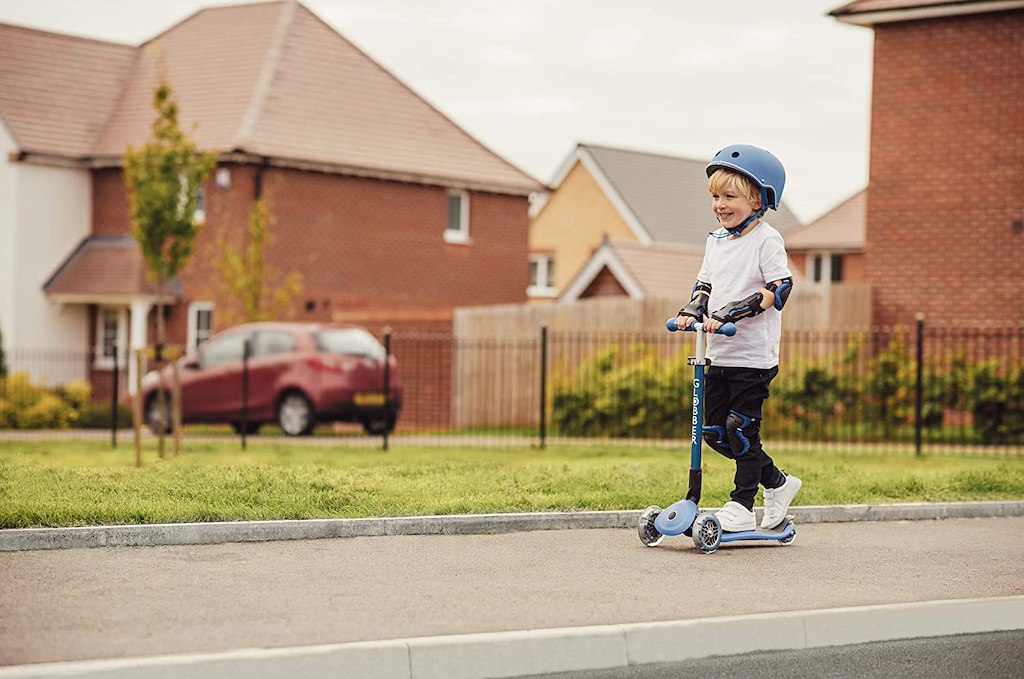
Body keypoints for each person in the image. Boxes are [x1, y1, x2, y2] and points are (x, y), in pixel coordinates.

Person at [675, 144, 802, 532]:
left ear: (759, 199)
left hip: (754, 358)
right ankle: (778, 483)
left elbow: (779, 287)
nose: (720, 204)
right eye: (715, 196)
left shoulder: (767, 239)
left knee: (740, 428)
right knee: (713, 431)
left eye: (729, 196)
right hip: (720, 352)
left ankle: (743, 504)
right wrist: (693, 310)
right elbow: (705, 283)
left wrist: (734, 311)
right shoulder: (716, 240)